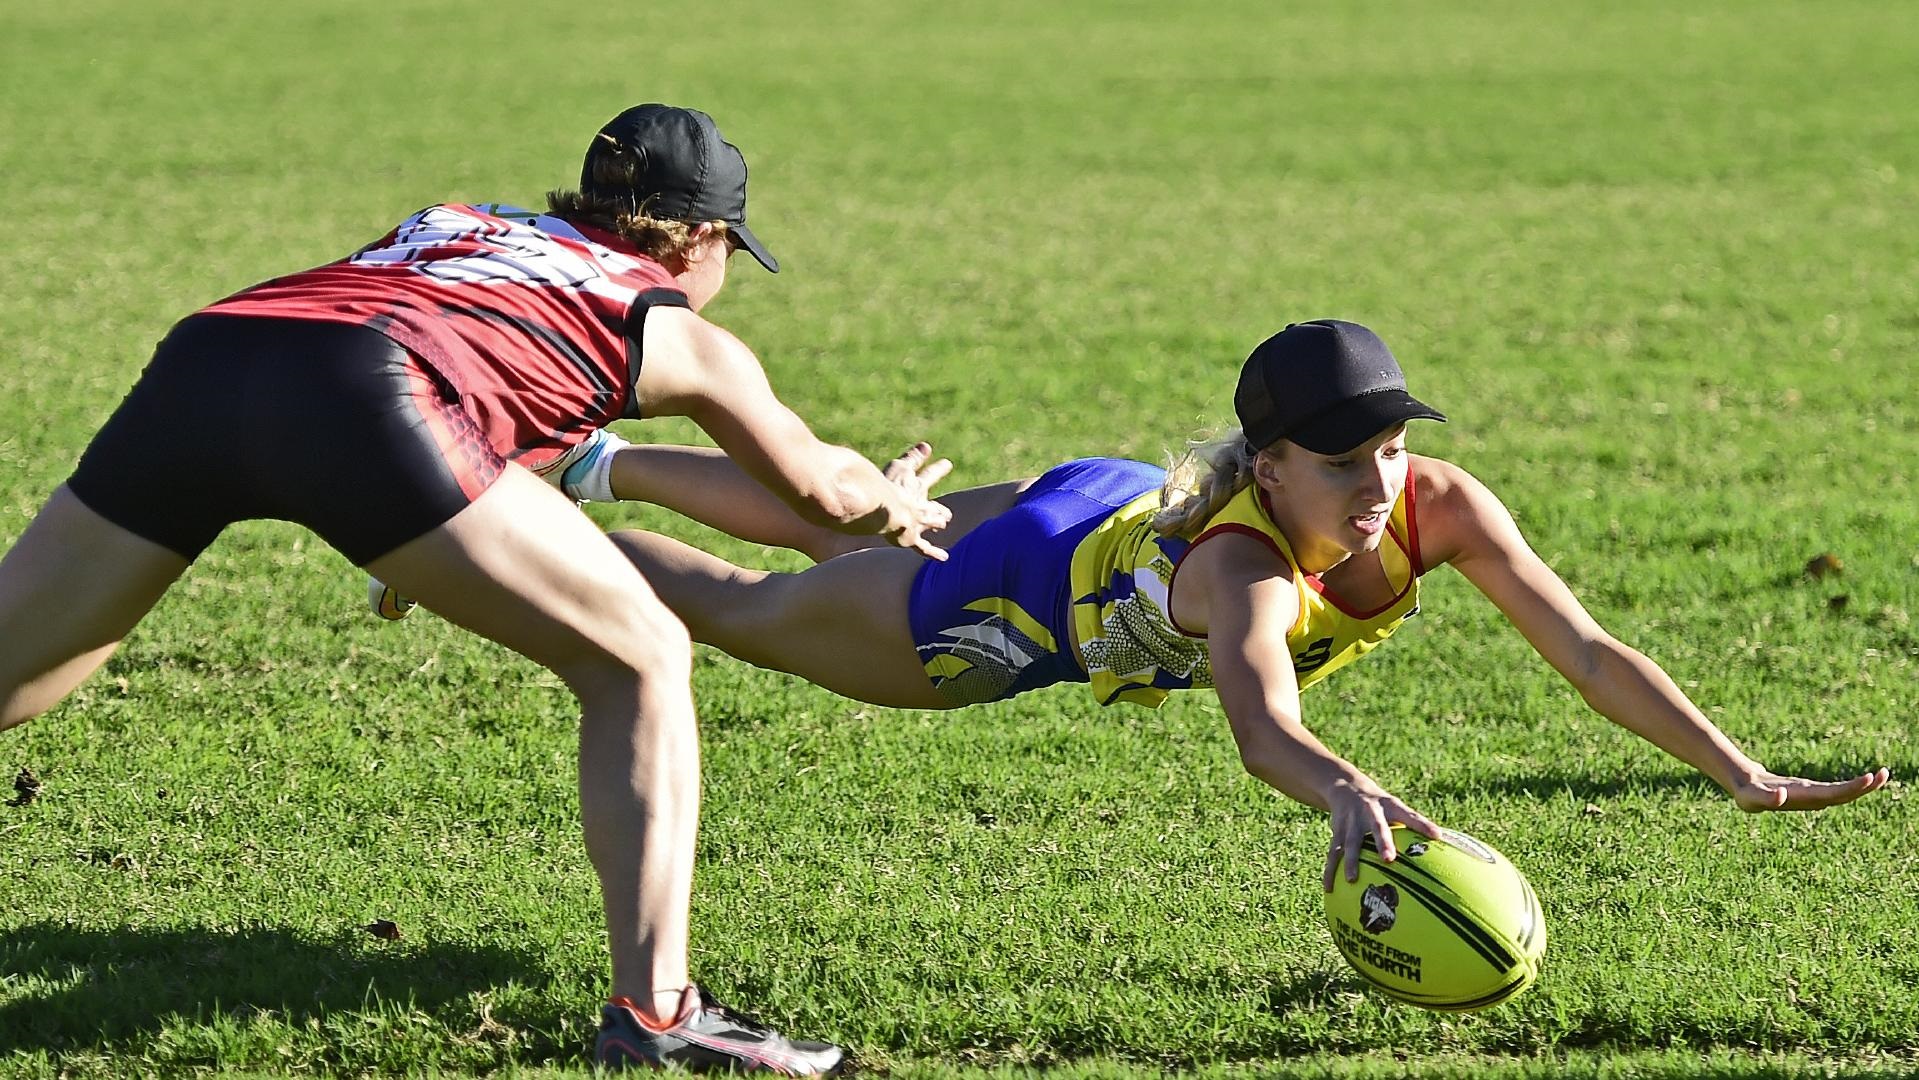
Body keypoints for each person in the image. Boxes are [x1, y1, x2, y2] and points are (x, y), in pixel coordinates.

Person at [0, 103, 950, 1075]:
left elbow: (479, 422)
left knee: (14, 675)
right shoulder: (665, 325)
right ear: (700, 238)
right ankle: (658, 1017)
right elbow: (816, 486)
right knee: (641, 653)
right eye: (731, 255)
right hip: (368, 385)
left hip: (214, 353)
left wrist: (420, 539)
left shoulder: (461, 225)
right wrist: (890, 503)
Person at [584, 319, 1890, 895]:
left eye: (1386, 445)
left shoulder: (1438, 501)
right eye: (1340, 459)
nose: (1378, 481)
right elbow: (1260, 727)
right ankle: (525, 526)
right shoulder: (1243, 566)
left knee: (843, 510)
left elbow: (1588, 651)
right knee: (754, 609)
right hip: (1016, 605)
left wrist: (1737, 770)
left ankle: (587, 462)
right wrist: (1339, 789)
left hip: (1096, 499)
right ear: (1267, 469)